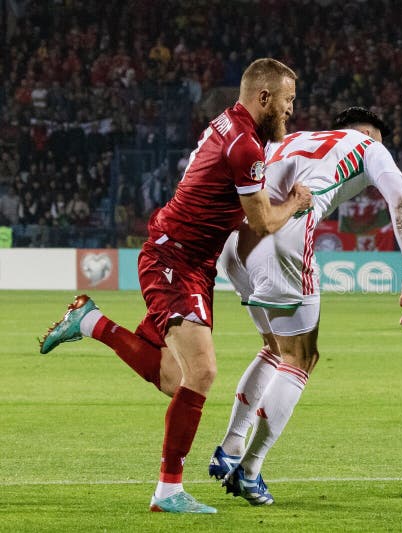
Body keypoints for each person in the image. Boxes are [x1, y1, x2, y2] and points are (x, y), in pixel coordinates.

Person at [37, 58, 312, 514]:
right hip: (174, 259)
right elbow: (262, 220)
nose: (290, 111)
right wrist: (297, 203)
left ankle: (92, 323)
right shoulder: (245, 145)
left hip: (192, 263)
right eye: (287, 102)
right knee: (201, 374)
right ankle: (168, 491)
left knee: (175, 380)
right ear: (264, 98)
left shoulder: (229, 124)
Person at [207, 107, 402, 506]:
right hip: (283, 233)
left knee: (275, 348)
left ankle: (230, 447)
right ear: (368, 133)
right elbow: (401, 200)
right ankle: (249, 471)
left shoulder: (293, 138)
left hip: (234, 238)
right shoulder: (367, 147)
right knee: (301, 358)